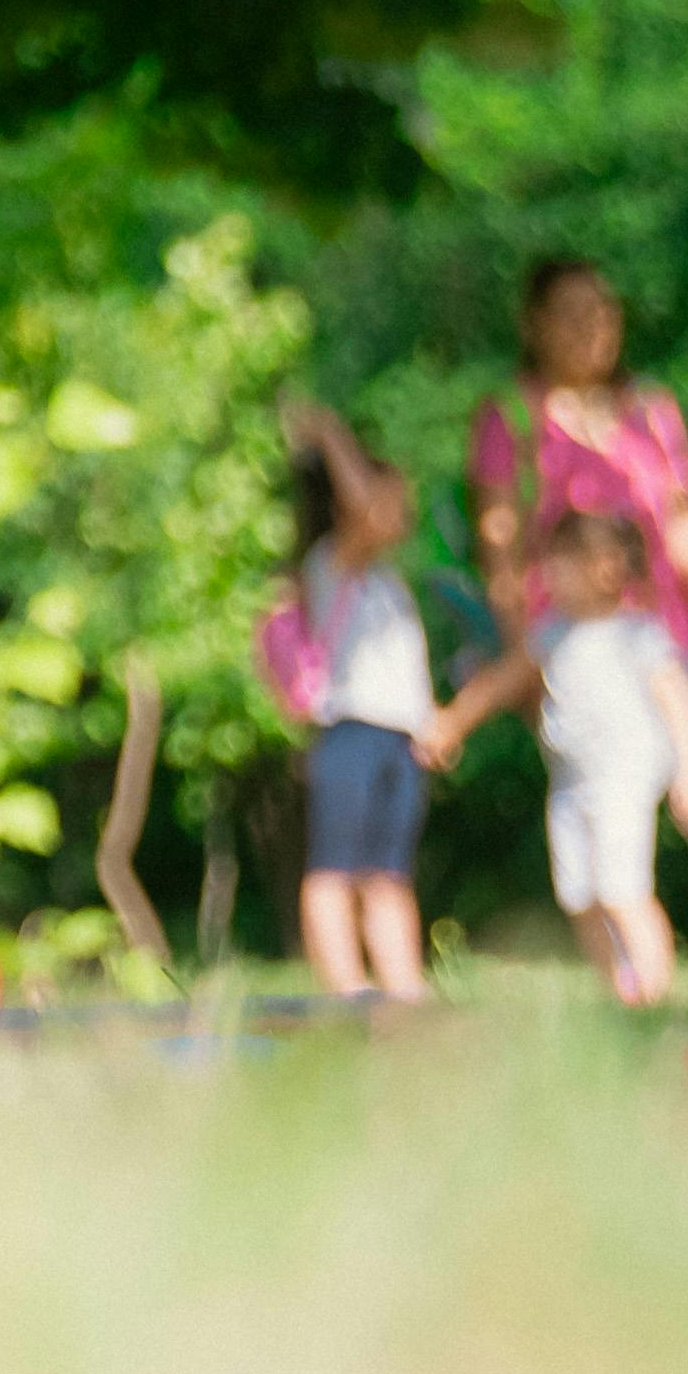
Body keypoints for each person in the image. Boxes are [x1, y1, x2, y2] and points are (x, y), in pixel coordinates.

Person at [468, 257, 688, 992]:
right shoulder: (512, 416)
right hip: (574, 654)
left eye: (605, 309)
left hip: (667, 642)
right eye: (572, 311)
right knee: (596, 818)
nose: (593, 326)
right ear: (534, 324)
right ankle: (627, 979)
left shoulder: (651, 411)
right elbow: (500, 548)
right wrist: (520, 654)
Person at [452, 511, 688, 1006]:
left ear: (606, 567)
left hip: (625, 776)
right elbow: (504, 681)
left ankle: (656, 994)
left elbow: (682, 706)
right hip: (572, 781)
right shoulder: (552, 634)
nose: (547, 575)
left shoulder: (640, 635)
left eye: (561, 564)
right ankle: (620, 992)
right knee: (579, 894)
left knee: (623, 889)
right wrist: (452, 723)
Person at [272, 399, 439, 1004]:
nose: (397, 512)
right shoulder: (329, 565)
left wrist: (428, 725)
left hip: (397, 736)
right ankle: (346, 987)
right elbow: (365, 510)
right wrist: (330, 429)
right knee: (335, 867)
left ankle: (403, 987)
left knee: (389, 873)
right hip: (348, 732)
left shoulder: (386, 585)